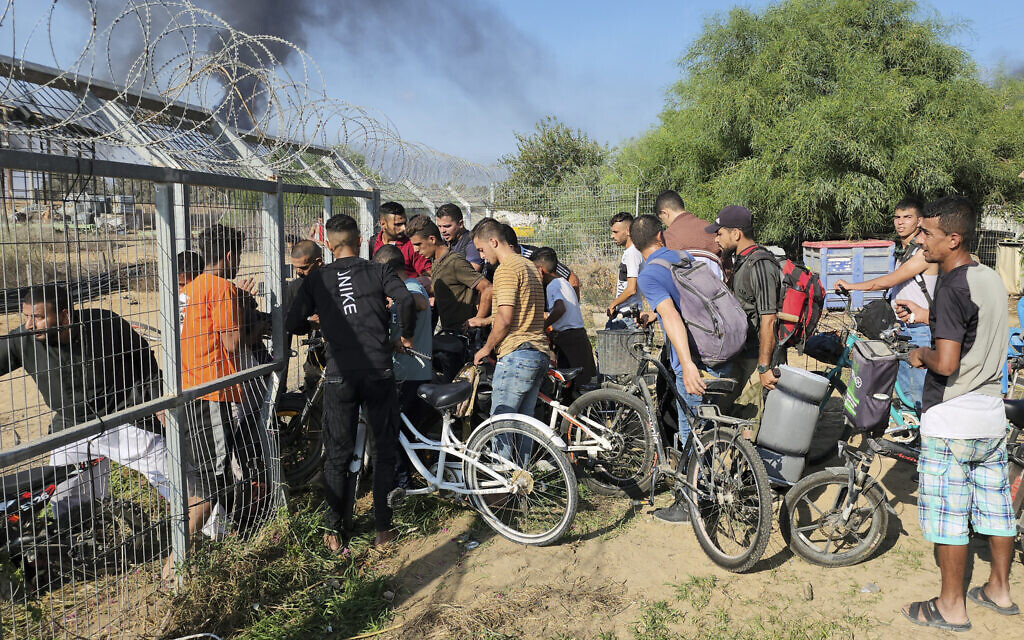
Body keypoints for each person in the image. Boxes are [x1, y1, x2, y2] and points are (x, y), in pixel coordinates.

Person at [901, 196, 1017, 631]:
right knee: (996, 509)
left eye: (927, 233)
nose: (920, 240)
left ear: (953, 238)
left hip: (952, 418)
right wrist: (929, 317)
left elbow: (947, 363)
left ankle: (950, 606)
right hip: (991, 415)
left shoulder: (950, 286)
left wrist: (919, 354)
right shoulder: (988, 277)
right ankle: (999, 590)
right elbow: (973, 327)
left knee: (950, 516)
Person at [287, 213, 415, 551]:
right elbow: (405, 300)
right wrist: (404, 336)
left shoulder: (317, 279)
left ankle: (333, 531)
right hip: (378, 370)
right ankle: (383, 531)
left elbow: (293, 322)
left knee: (336, 454)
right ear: (360, 241)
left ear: (328, 246)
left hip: (340, 374)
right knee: (383, 451)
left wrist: (318, 322)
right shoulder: (378, 270)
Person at [0, 284, 168, 525]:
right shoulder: (23, 340)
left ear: (65, 316)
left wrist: (157, 399)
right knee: (64, 503)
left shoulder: (104, 323)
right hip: (71, 426)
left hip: (121, 416)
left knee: (176, 479)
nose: (29, 324)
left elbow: (142, 356)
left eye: (37, 317)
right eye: (26, 316)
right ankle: (88, 540)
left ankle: (215, 531)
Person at [630, 215, 731, 524]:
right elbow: (689, 302)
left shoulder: (649, 274)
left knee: (692, 432)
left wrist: (687, 366)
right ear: (661, 235)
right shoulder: (684, 257)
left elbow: (673, 317)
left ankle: (691, 503)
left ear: (634, 244)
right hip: (720, 348)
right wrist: (654, 314)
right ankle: (711, 491)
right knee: (708, 429)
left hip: (695, 359)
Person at [835, 197, 937, 409]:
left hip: (920, 329)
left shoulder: (923, 253)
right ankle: (909, 427)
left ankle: (923, 429)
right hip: (901, 328)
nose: (900, 222)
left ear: (919, 221)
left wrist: (852, 286)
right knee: (904, 392)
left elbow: (889, 281)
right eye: (897, 217)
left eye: (907, 217)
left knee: (919, 393)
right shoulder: (904, 252)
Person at [472, 218, 553, 424]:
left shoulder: (506, 269)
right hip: (538, 352)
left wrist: (486, 348)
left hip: (517, 355)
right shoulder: (530, 266)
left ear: (493, 242)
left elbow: (505, 319)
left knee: (501, 425)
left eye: (481, 250)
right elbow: (524, 311)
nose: (481, 256)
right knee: (524, 425)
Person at [707, 206, 783, 420]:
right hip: (742, 353)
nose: (716, 239)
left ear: (736, 233)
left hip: (756, 357)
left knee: (750, 419)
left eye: (720, 233)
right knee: (728, 412)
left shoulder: (760, 265)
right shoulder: (742, 261)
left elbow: (769, 319)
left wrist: (763, 367)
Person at [373, 244, 433, 428]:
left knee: (401, 433)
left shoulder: (410, 286)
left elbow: (420, 303)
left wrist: (399, 296)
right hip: (405, 373)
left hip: (410, 374)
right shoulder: (404, 288)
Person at [407, 215, 493, 332]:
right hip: (449, 331)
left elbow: (487, 287)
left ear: (432, 239)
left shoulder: (454, 262)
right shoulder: (436, 261)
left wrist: (478, 320)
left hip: (463, 335)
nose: (415, 250)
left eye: (418, 244)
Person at [531, 247, 597, 385]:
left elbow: (560, 308)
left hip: (568, 339)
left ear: (540, 270)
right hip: (579, 336)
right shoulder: (564, 282)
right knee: (582, 382)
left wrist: (544, 326)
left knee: (570, 384)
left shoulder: (552, 286)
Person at [283, 240, 327, 396]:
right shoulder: (295, 287)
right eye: (295, 267)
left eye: (303, 267)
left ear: (318, 262)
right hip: (315, 355)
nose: (298, 272)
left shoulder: (333, 281)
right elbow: (288, 327)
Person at [500, 223, 582, 299]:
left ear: (510, 247)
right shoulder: (495, 264)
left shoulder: (537, 257)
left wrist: (571, 306)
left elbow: (572, 280)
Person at [654, 190, 721, 262]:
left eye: (662, 219)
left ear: (665, 213)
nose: (664, 223)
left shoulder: (668, 238)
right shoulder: (710, 229)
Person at [373, 201, 431, 278]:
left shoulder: (412, 244)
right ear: (383, 224)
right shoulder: (373, 243)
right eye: (398, 224)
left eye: (405, 223)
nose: (404, 228)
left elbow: (428, 274)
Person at [607, 212, 644, 326]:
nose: (612, 236)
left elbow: (631, 289)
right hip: (622, 314)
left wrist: (613, 304)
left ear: (628, 231)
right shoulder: (630, 252)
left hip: (627, 317)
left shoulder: (632, 253)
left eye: (615, 232)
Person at [435, 202, 483, 271]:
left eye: (447, 226)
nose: (442, 231)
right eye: (439, 226)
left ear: (460, 224)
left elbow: (471, 272)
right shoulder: (445, 243)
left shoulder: (472, 242)